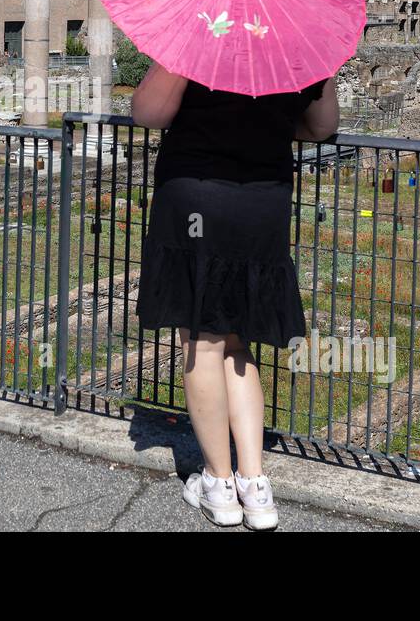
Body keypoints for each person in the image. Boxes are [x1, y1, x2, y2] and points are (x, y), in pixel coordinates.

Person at [130, 64, 339, 529]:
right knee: (236, 343)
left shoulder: (201, 32)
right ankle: (255, 484)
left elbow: (149, 112)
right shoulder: (300, 43)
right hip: (263, 202)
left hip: (196, 199)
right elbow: (322, 127)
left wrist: (178, 61)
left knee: (202, 342)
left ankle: (218, 483)